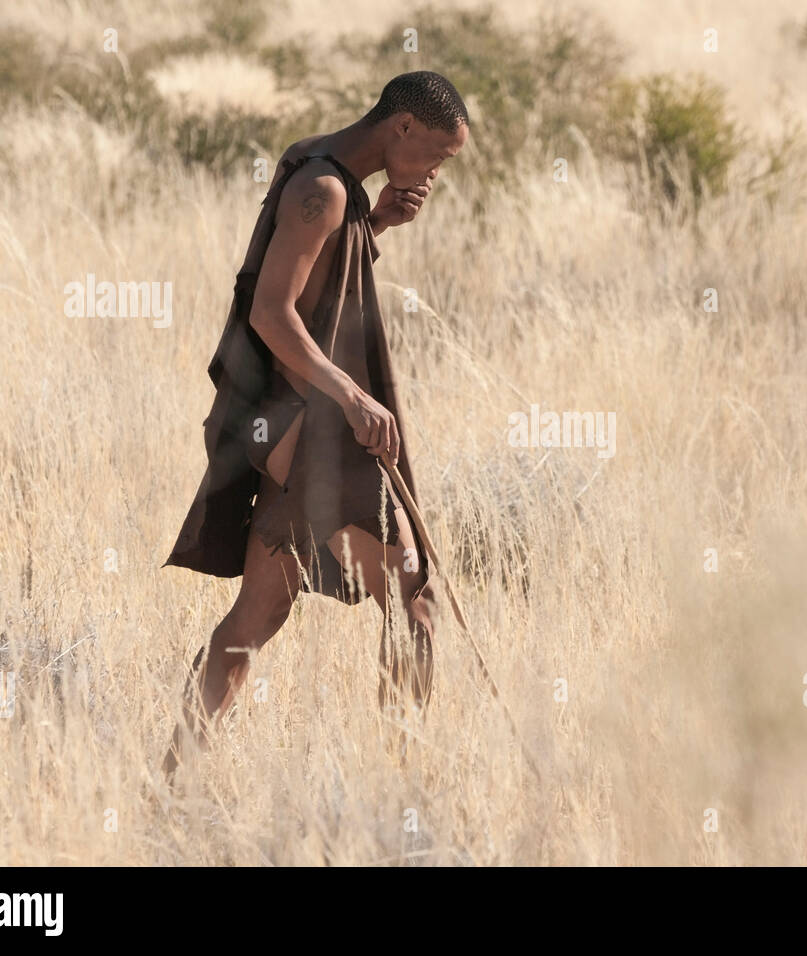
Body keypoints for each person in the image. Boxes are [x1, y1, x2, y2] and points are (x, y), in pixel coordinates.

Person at [160, 71, 469, 780]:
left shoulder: (315, 163)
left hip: (280, 431)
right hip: (309, 431)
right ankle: (402, 792)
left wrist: (380, 220)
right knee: (413, 600)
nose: (438, 170)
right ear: (403, 128)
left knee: (254, 621)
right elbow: (273, 313)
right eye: (439, 155)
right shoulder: (324, 191)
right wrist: (353, 397)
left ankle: (171, 780)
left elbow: (319, 276)